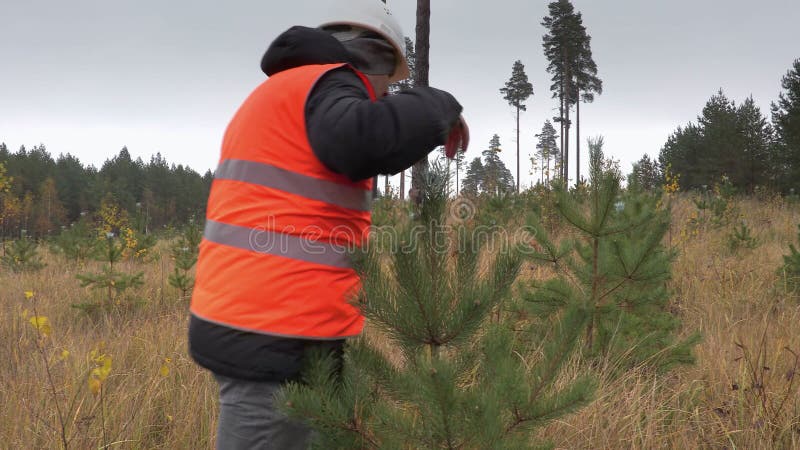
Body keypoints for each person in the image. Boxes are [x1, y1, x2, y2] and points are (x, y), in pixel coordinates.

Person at [188, 0, 468, 448]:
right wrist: (441, 106)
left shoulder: (291, 92)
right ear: (375, 59)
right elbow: (363, 140)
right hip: (272, 327)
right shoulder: (326, 84)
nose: (383, 97)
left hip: (269, 319)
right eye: (388, 86)